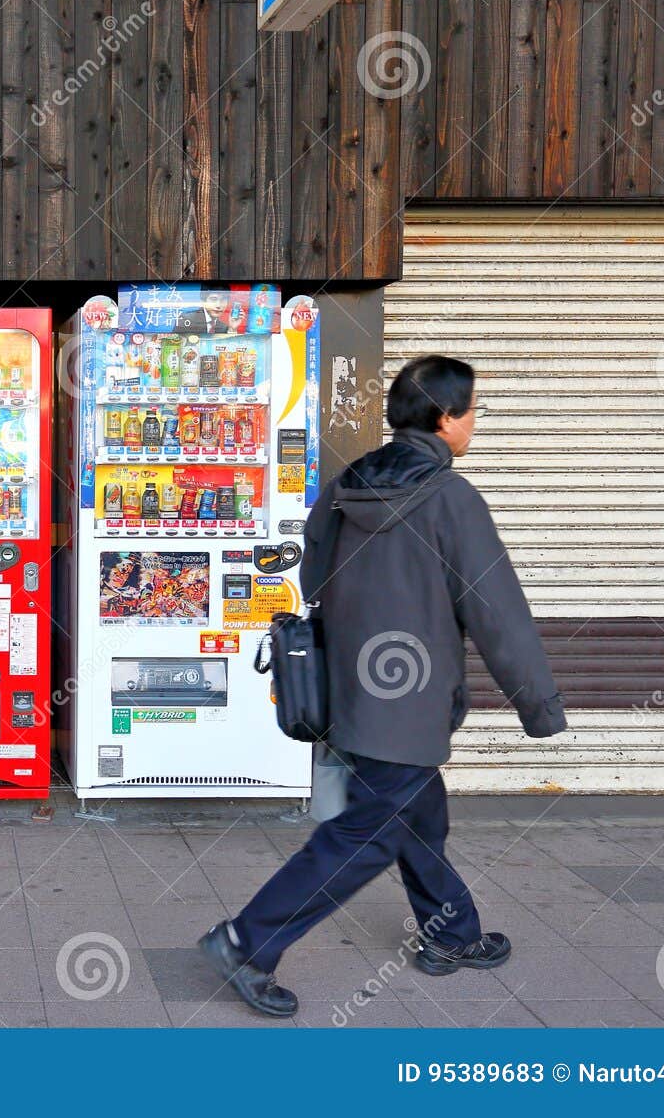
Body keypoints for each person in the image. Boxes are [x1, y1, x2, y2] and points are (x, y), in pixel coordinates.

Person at [201, 354, 567, 1017]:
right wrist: (539, 706)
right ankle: (246, 942)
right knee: (364, 835)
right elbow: (498, 612)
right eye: (472, 409)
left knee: (421, 819)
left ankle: (452, 933)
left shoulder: (346, 483)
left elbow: (313, 579)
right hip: (410, 704)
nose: (474, 422)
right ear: (445, 418)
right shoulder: (451, 499)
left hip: (351, 695)